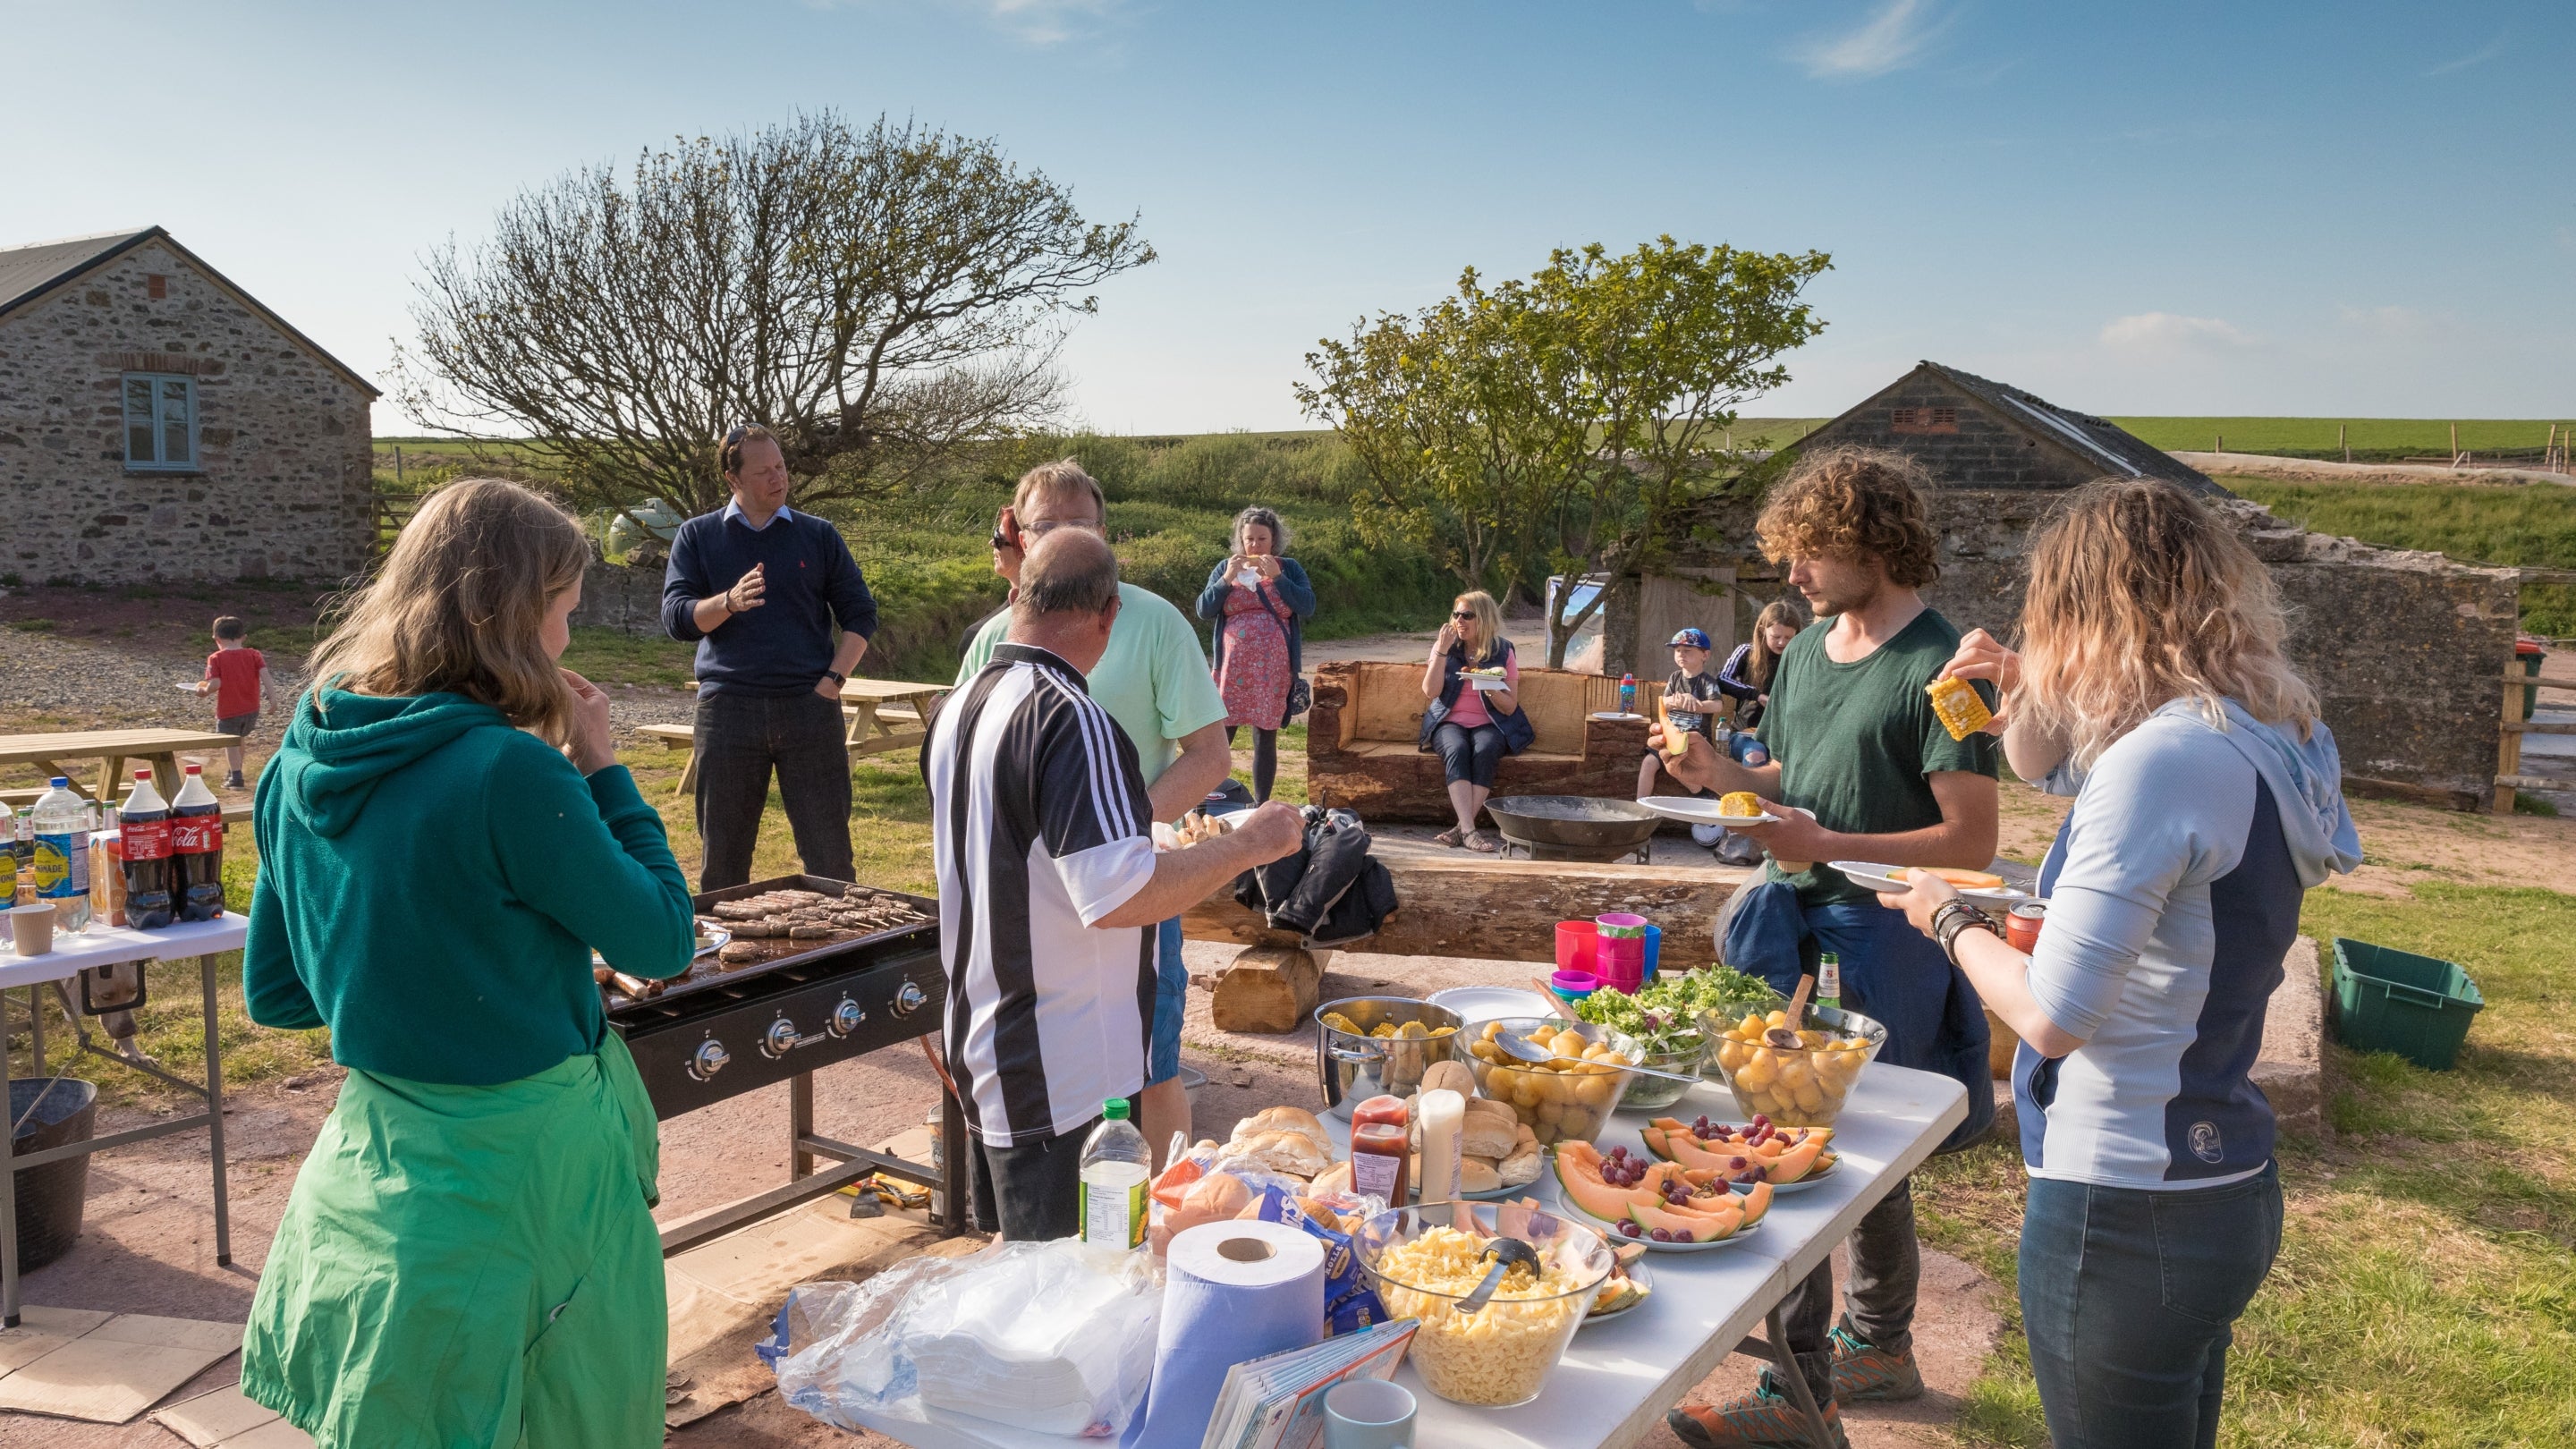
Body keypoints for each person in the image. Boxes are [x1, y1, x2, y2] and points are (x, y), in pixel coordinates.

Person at [1877, 478, 2356, 1449]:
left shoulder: (2160, 764)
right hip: (2219, 1179)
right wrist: (2027, 686)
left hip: (2124, 1204)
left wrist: (1948, 917)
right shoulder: (2268, 733)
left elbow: (2052, 1017)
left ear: (2082, 615)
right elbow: (2043, 763)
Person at [239, 479, 696, 1448]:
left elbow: (278, 993)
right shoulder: (509, 771)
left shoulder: (295, 761)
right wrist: (605, 770)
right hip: (525, 1175)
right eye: (565, 611)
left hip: (376, 1168)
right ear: (517, 616)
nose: (567, 638)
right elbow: (662, 939)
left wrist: (418, 966)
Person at [1653, 447, 1999, 1449]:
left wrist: (1829, 844)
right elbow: (1789, 783)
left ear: (1872, 542)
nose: (1791, 573)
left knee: (1832, 1151)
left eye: (1810, 550)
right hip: (1790, 927)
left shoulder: (1944, 667)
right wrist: (1716, 771)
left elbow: (1972, 840)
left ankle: (1810, 1389)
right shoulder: (1803, 651)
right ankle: (1869, 1352)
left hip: (1884, 940)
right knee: (1800, 1137)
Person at [928, 529, 1303, 1241]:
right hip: (1061, 1072)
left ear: (1021, 595)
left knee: (1020, 1271)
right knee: (1070, 1288)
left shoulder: (961, 702)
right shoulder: (1071, 717)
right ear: (1108, 615)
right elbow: (1122, 897)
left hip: (988, 1043)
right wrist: (1249, 844)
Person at [957, 459, 1233, 1168]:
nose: (1064, 537)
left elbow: (1209, 756)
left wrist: (1116, 833)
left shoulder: (1155, 621)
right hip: (1024, 904)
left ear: (1105, 532)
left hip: (1131, 883)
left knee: (1152, 1063)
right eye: (1047, 525)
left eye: (1080, 524)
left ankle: (1168, 1203)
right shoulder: (995, 636)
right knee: (1031, 1066)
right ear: (1018, 534)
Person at [662, 425, 878, 890]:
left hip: (809, 709)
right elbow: (677, 619)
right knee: (723, 864)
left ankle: (837, 940)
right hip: (728, 712)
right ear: (732, 479)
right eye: (763, 472)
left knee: (830, 858)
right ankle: (725, 941)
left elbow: (861, 614)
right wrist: (728, 602)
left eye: (781, 466)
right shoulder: (697, 536)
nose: (779, 478)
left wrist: (833, 682)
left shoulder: (818, 535)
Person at [1196, 505, 1316, 803]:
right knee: (1222, 733)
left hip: (1273, 670)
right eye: (1249, 539)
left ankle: (1261, 805)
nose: (1255, 545)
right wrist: (1226, 579)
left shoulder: (1289, 568)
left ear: (1274, 540)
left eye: (1262, 539)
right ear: (1241, 539)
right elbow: (1204, 610)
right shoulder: (1227, 566)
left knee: (1265, 734)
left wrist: (1278, 578)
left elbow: (1307, 605)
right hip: (1232, 668)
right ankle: (1204, 800)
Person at [1419, 589, 1534, 853]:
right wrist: (1442, 651)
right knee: (1457, 748)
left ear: (1483, 618)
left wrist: (1488, 684)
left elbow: (1509, 706)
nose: (1459, 621)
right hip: (1448, 720)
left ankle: (1461, 829)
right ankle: (1470, 832)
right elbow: (1430, 692)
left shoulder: (1503, 650)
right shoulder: (1445, 647)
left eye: (1467, 615)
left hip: (1490, 722)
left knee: (1486, 749)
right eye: (1456, 614)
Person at [1638, 626, 1733, 813]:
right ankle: (1640, 806)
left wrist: (1696, 704)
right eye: (1678, 650)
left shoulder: (1707, 681)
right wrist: (1675, 701)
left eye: (1688, 651)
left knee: (1680, 767)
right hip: (1670, 735)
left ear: (1705, 655)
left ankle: (1702, 794)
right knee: (1649, 762)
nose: (1681, 654)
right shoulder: (1675, 678)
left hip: (1695, 739)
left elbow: (1717, 705)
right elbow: (1663, 703)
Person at [1716, 599, 1802, 763]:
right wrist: (1757, 696)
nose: (1782, 642)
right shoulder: (1746, 651)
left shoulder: (1801, 658)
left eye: (1788, 637)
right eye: (1776, 636)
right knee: (1755, 756)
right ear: (1763, 630)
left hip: (1784, 736)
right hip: (1747, 734)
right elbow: (1722, 680)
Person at [198, 614, 271, 789]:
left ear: (216, 638)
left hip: (229, 710)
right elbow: (266, 676)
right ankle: (234, 770)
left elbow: (215, 684)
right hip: (251, 709)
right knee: (240, 739)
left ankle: (236, 777)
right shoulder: (254, 654)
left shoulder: (216, 658)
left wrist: (203, 691)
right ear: (243, 637)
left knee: (230, 742)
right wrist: (273, 699)